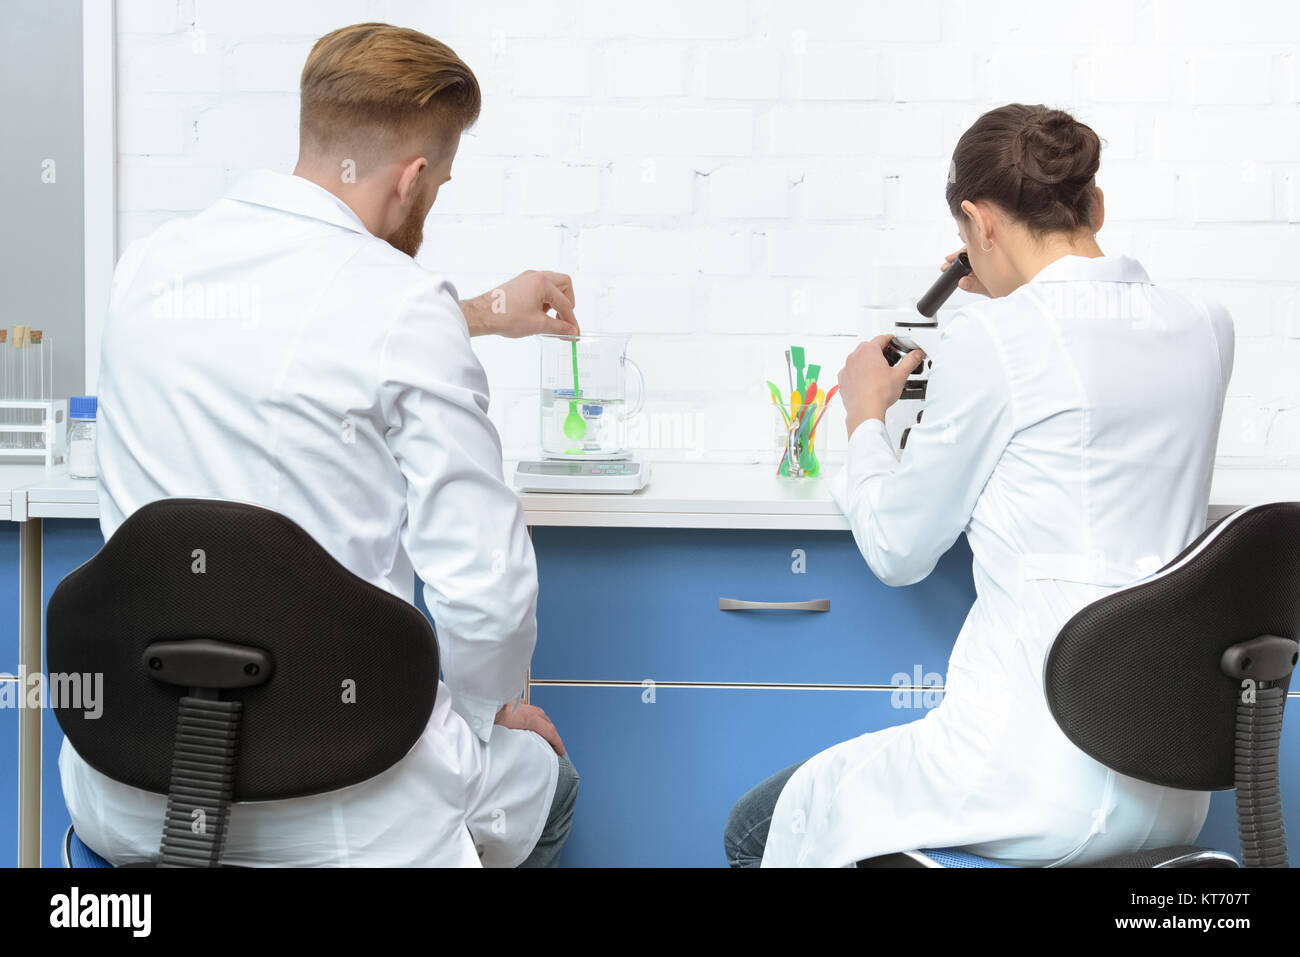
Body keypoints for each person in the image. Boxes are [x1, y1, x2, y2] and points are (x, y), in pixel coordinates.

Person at [60, 23, 579, 867]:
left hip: (133, 788)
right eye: (440, 184)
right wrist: (487, 714)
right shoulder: (401, 304)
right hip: (347, 809)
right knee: (551, 781)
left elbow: (300, 328)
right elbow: (487, 593)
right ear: (412, 178)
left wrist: (482, 312)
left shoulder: (146, 269)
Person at [725, 103, 1235, 868]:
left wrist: (864, 418)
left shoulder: (993, 340)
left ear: (979, 222)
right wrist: (1009, 292)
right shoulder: (1208, 325)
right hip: (1171, 786)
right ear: (1096, 205)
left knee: (753, 829)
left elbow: (898, 549)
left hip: (1027, 778)